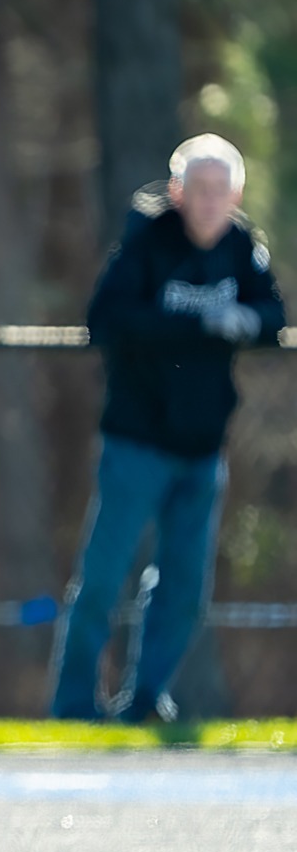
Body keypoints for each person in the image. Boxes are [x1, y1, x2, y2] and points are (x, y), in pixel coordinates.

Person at [48, 134, 284, 723]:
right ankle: (75, 706)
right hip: (136, 442)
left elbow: (274, 317)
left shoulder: (241, 249)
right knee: (103, 578)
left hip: (202, 449)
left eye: (221, 190)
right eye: (199, 188)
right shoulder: (145, 245)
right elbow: (106, 319)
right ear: (178, 192)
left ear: (235, 196)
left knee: (184, 589)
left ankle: (147, 699)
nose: (209, 200)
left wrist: (245, 318)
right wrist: (197, 325)